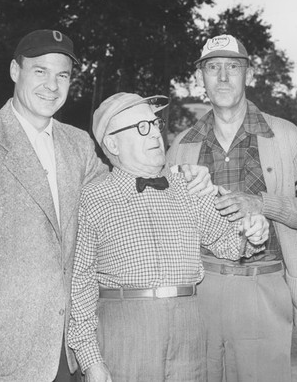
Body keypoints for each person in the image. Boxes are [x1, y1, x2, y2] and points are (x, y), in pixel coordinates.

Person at [0, 29, 217, 382]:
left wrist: (182, 175)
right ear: (14, 71)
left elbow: (124, 186)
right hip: (2, 348)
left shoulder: (78, 144)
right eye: (40, 71)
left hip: (66, 351)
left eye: (62, 75)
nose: (51, 85)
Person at [166, 34, 297, 382]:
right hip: (198, 292)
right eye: (213, 67)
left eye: (233, 66)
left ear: (248, 73)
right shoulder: (181, 146)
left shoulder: (285, 135)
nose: (224, 77)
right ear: (201, 76)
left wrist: (262, 203)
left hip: (263, 289)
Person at [67, 92, 270, 382]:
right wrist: (90, 360)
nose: (154, 134)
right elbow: (80, 284)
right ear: (112, 144)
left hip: (189, 326)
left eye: (154, 124)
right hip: (126, 328)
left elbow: (227, 241)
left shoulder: (187, 187)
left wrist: (251, 234)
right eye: (141, 127)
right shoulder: (93, 198)